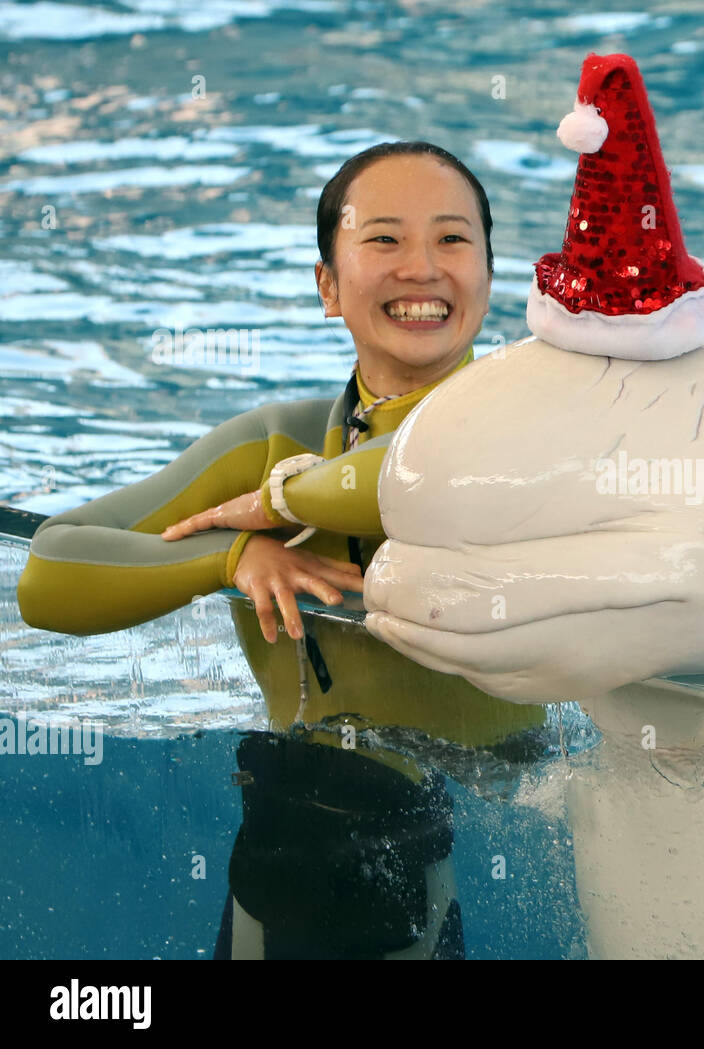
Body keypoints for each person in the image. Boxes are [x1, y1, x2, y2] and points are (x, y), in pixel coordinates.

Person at [18, 142, 549, 958]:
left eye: (452, 239)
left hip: (475, 819)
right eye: (383, 240)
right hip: (281, 853)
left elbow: (420, 468)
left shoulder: (542, 438)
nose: (422, 268)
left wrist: (279, 506)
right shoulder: (278, 443)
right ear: (327, 285)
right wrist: (232, 559)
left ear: (488, 274)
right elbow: (50, 571)